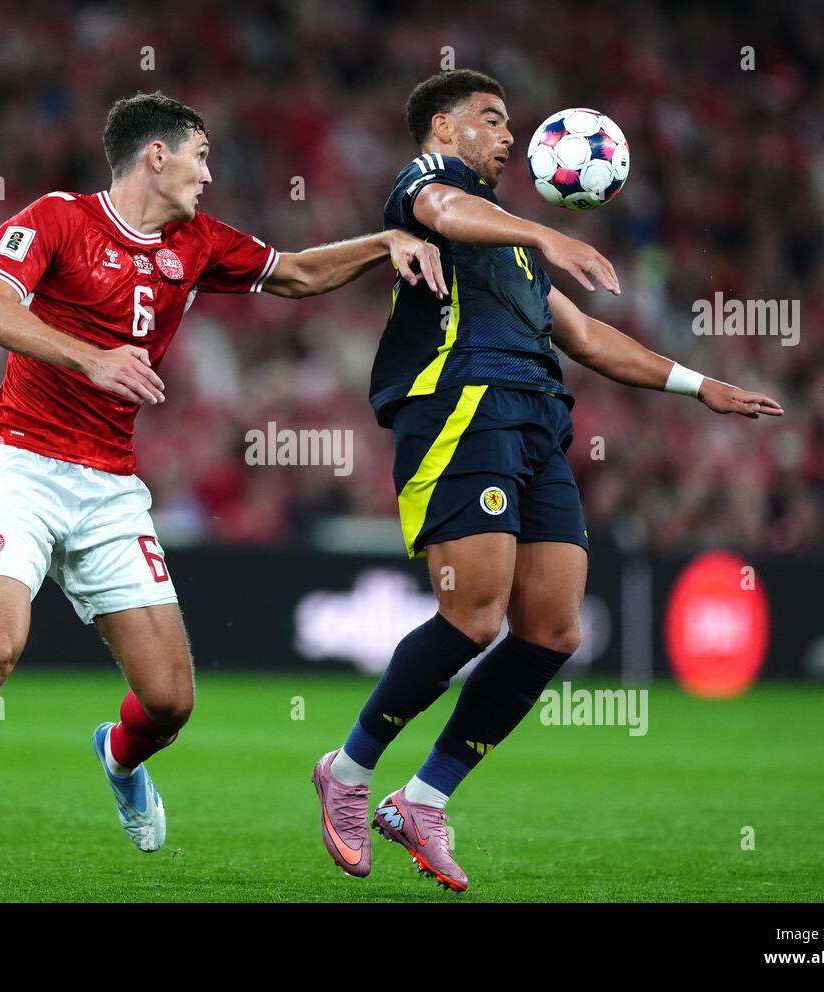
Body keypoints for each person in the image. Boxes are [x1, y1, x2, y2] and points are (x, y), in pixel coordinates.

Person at [0, 91, 443, 892]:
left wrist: (385, 242)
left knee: (170, 701)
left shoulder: (197, 242)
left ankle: (118, 753)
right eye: (201, 157)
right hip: (21, 465)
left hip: (109, 487)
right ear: (157, 156)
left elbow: (300, 274)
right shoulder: (59, 218)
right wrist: (90, 357)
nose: (210, 175)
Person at [313, 70, 783, 891]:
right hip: (460, 405)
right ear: (441, 129)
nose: (506, 136)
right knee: (473, 617)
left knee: (553, 630)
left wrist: (697, 385)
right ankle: (348, 772)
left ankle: (423, 799)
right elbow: (446, 214)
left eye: (508, 124)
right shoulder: (432, 189)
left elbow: (591, 339)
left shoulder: (516, 256)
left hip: (536, 422)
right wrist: (539, 234)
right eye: (490, 120)